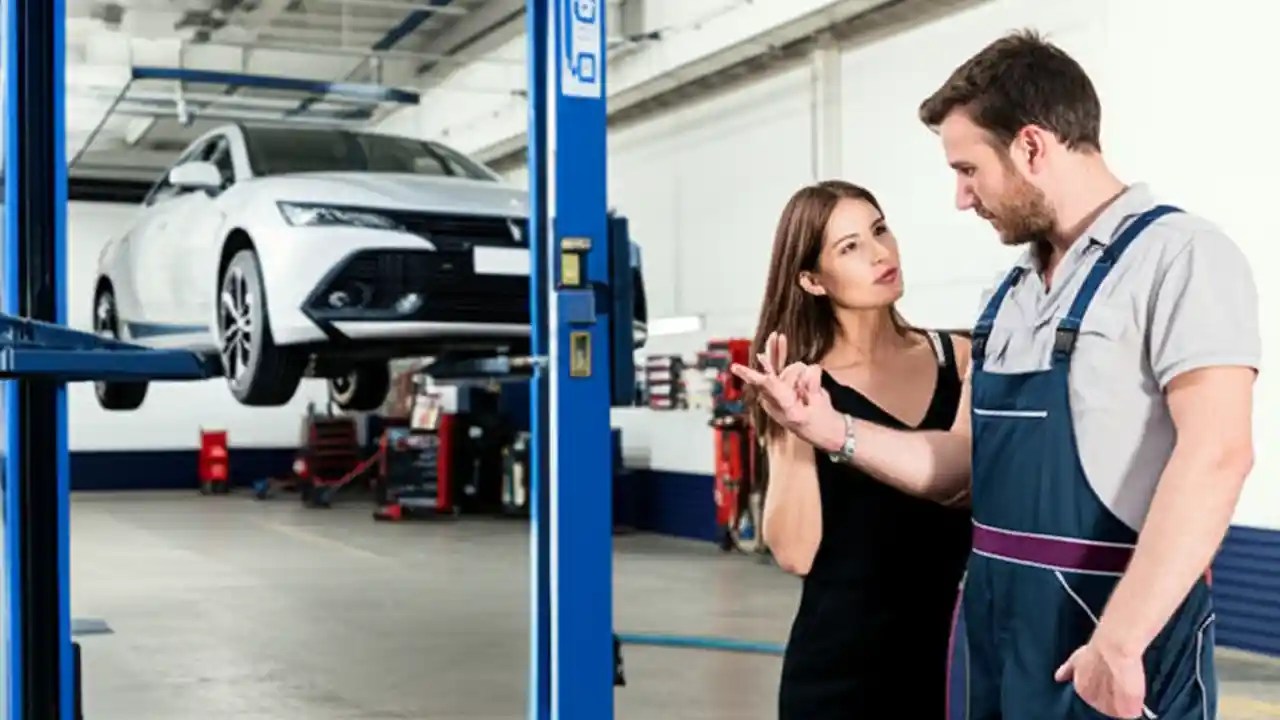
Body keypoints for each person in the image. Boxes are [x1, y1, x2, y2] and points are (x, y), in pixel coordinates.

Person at [734, 30, 1259, 720]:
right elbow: (961, 468)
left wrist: (1123, 638)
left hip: (1112, 631)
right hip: (993, 632)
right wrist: (829, 428)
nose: (960, 197)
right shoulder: (1007, 297)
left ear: (1032, 147)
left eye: (968, 169)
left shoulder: (1180, 258)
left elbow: (1217, 454)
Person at [747, 180, 973, 719]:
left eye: (879, 230)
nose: (880, 253)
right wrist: (794, 432)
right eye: (849, 247)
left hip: (955, 663)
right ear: (811, 279)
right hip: (841, 680)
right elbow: (795, 552)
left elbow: (970, 485)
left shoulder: (961, 358)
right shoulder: (801, 386)